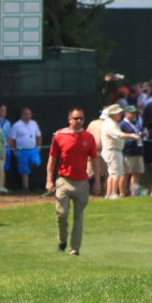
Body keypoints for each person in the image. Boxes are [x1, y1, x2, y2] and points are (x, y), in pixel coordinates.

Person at [46, 109, 97, 256]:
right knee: (61, 214)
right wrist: (49, 180)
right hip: (64, 180)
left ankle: (75, 248)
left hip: (82, 183)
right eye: (76, 118)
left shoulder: (89, 137)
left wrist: (98, 181)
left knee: (79, 216)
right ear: (69, 119)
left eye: (81, 118)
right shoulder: (59, 136)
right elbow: (52, 159)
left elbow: (94, 159)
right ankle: (62, 241)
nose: (79, 121)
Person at [9, 106, 43, 191]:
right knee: (24, 170)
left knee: (36, 162)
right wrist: (14, 151)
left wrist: (38, 147)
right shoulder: (16, 125)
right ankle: (26, 188)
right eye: (27, 114)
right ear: (22, 115)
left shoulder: (34, 123)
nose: (29, 115)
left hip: (33, 150)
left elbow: (38, 135)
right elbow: (10, 139)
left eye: (30, 114)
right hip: (21, 151)